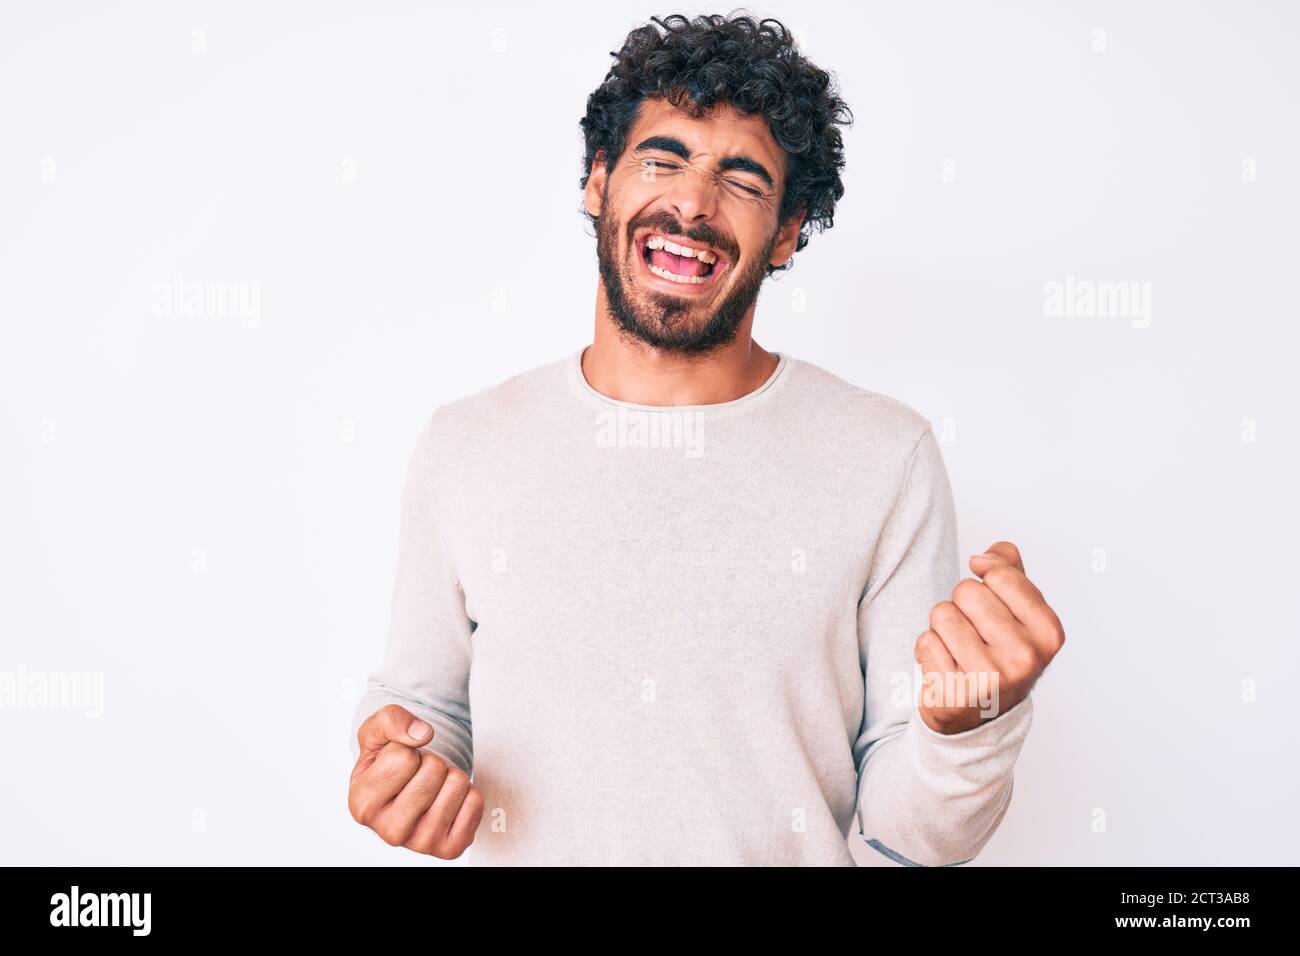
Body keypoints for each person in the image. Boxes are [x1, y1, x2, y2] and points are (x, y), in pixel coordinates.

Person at [346, 13, 1065, 866]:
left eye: (743, 178)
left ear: (789, 231)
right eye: (663, 158)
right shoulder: (465, 444)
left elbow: (908, 841)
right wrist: (400, 770)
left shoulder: (886, 456)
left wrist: (969, 725)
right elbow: (426, 710)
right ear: (598, 183)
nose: (691, 202)